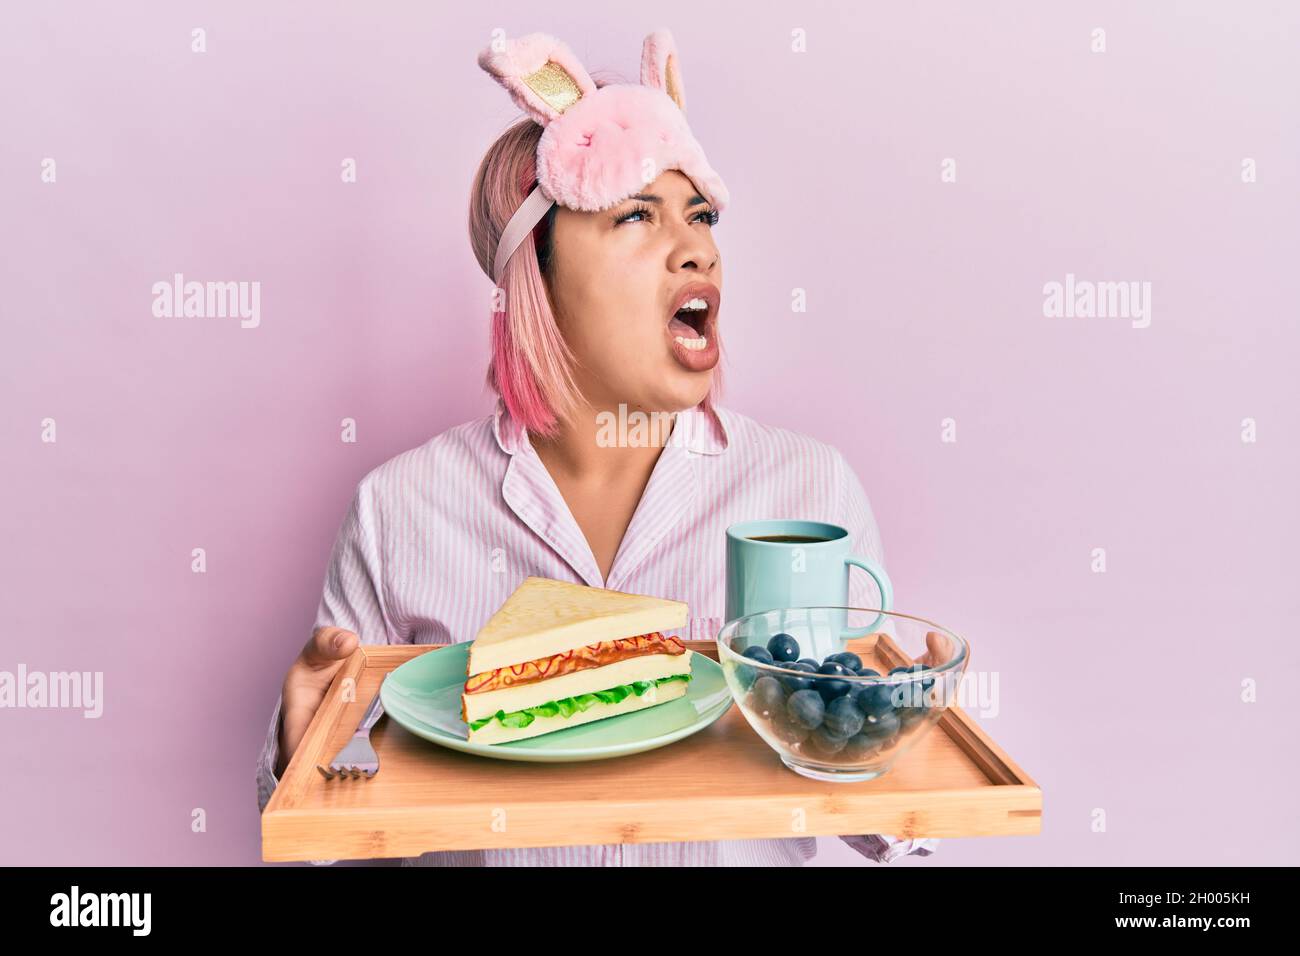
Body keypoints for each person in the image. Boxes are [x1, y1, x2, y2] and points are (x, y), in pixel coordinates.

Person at [256, 28, 939, 867]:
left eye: (701, 215)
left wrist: (893, 730)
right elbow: (341, 838)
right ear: (535, 278)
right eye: (636, 217)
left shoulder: (809, 490)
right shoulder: (400, 508)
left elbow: (869, 813)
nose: (698, 248)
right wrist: (301, 763)